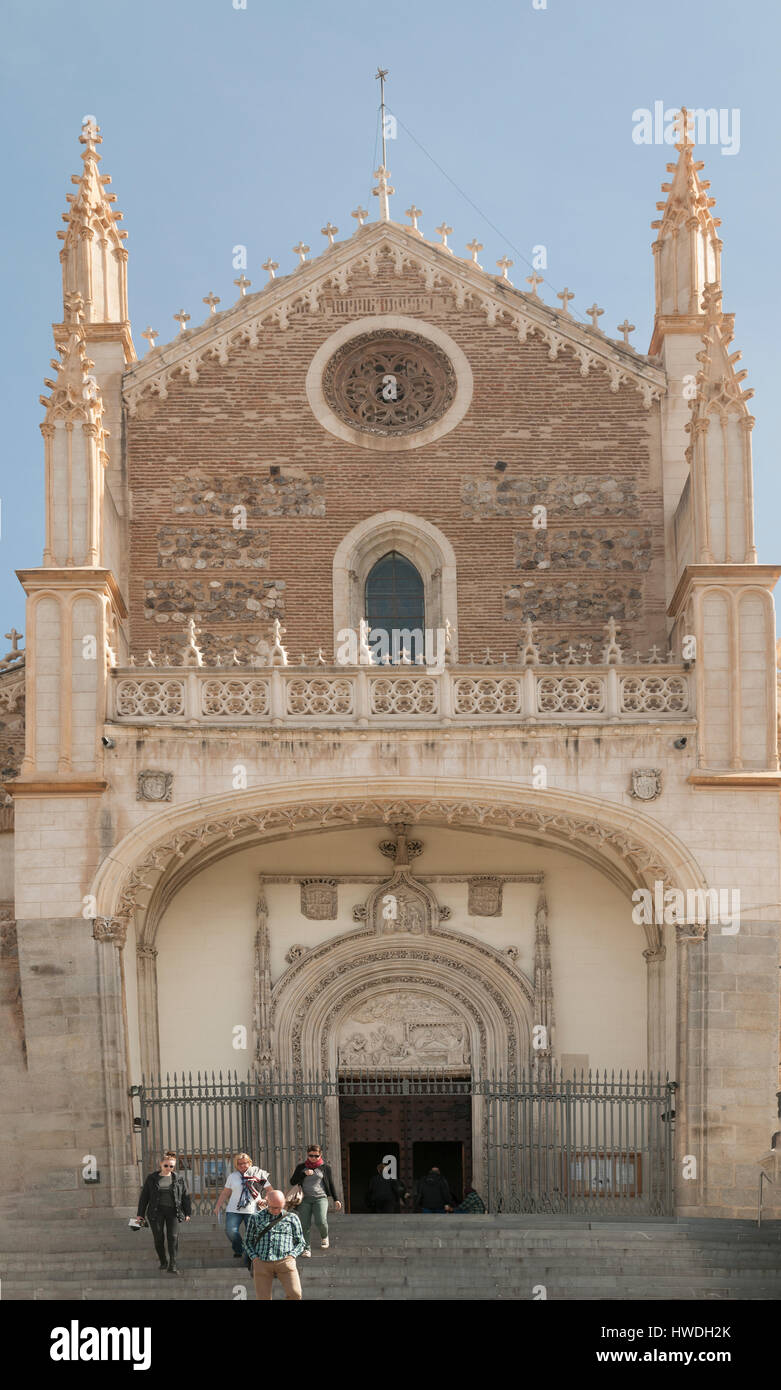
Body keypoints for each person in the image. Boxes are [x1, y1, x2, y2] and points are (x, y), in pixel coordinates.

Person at [243, 1187, 306, 1300]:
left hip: (285, 1261)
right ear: (267, 1203)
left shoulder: (292, 1218)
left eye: (279, 1207)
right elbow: (247, 1241)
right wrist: (254, 1258)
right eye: (273, 1207)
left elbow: (301, 1242)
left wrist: (292, 1256)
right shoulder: (255, 1217)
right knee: (263, 1298)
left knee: (295, 1294)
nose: (276, 1211)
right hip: (262, 1261)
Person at [136, 1149, 192, 1274]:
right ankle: (163, 1261)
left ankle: (173, 1264)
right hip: (156, 1212)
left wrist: (187, 1213)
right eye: (166, 1165)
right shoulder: (152, 1178)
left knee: (173, 1237)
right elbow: (144, 1197)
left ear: (174, 1166)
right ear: (161, 1164)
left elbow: (185, 1196)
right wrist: (140, 1215)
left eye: (171, 1166)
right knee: (158, 1237)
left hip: (173, 1211)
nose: (168, 1168)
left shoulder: (179, 1178)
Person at [213, 1152, 271, 1258]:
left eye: (245, 1163)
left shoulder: (258, 1173)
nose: (243, 1166)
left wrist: (265, 1200)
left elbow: (270, 1190)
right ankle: (240, 1249)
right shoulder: (232, 1176)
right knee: (231, 1231)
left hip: (252, 1210)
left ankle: (251, 1254)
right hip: (234, 1209)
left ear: (250, 1163)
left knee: (253, 1234)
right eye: (239, 1164)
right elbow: (225, 1192)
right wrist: (218, 1206)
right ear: (236, 1165)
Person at [289, 1143, 341, 1257]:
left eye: (316, 1156)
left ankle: (324, 1236)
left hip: (320, 1198)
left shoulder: (325, 1167)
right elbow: (292, 1181)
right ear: (307, 1155)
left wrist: (336, 1199)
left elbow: (331, 1184)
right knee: (304, 1224)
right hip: (304, 1199)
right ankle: (306, 1248)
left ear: (320, 1155)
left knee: (321, 1221)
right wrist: (303, 1174)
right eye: (311, 1155)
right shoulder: (301, 1167)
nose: (313, 1158)